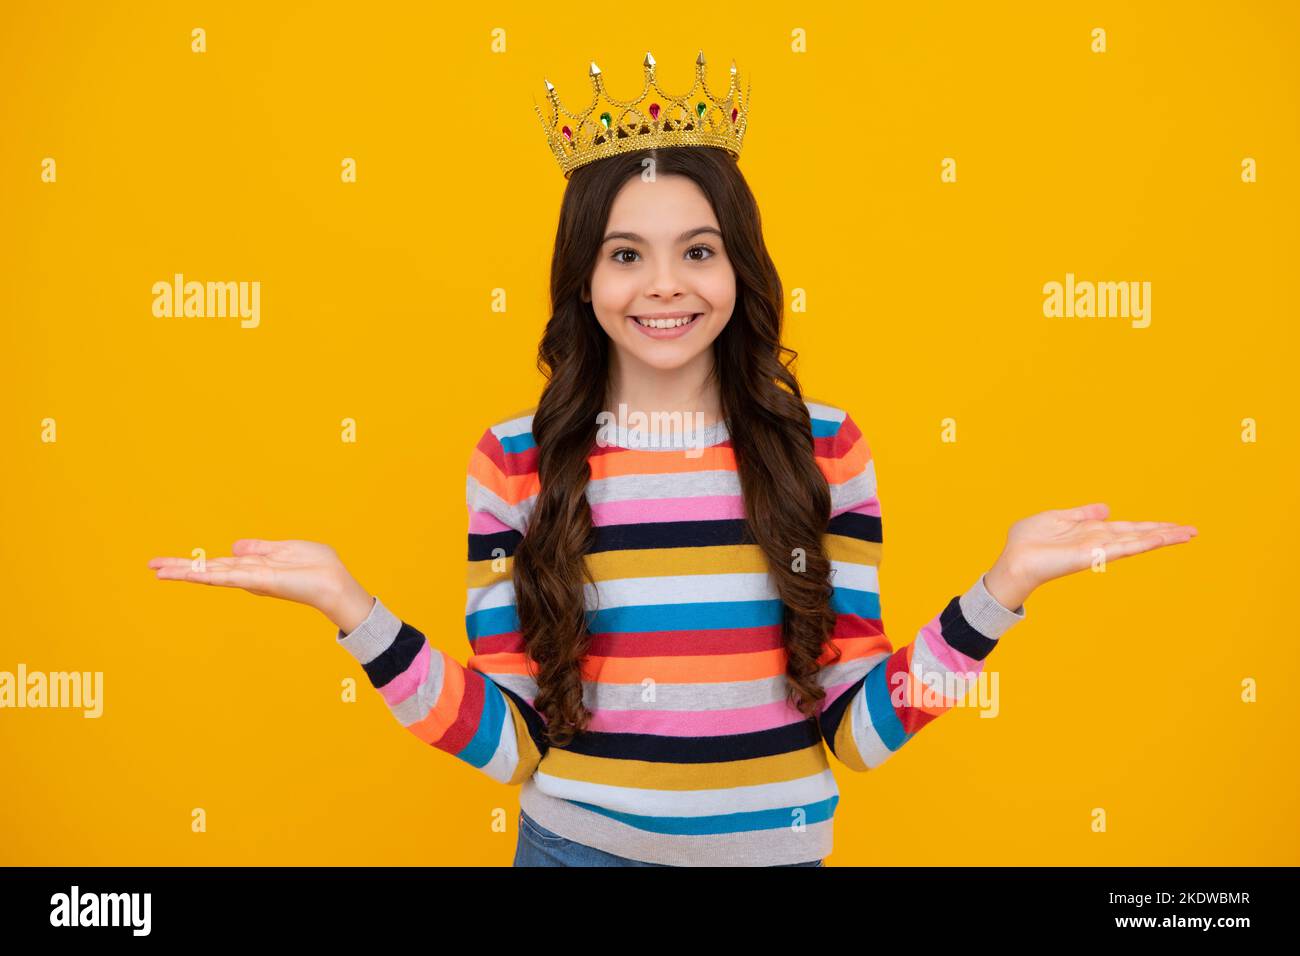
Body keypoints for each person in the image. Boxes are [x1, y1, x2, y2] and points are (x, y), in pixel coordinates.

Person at [148, 52, 1197, 867]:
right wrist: (352, 610)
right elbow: (512, 742)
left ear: (737, 264)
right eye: (624, 252)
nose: (664, 285)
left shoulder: (822, 448)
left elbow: (859, 732)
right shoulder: (513, 460)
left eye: (697, 249)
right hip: (573, 851)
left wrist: (1000, 590)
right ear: (584, 276)